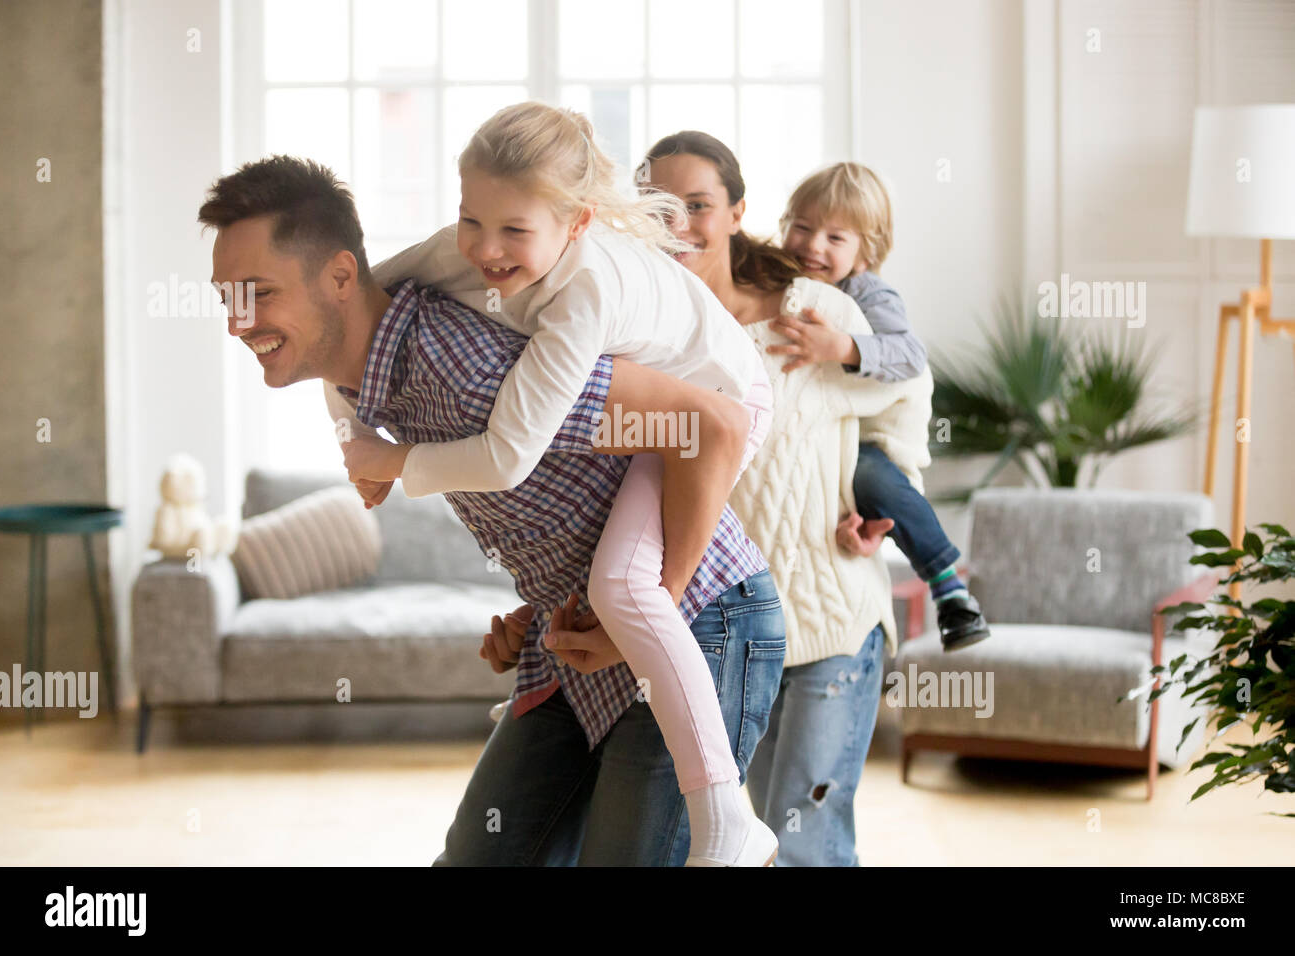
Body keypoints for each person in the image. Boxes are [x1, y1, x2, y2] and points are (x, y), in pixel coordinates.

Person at [200, 154, 785, 866]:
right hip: (574, 641)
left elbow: (708, 427)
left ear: (342, 277)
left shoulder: (466, 367)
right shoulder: (372, 381)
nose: (236, 321)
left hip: (702, 623)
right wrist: (540, 607)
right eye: (226, 295)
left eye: (258, 293)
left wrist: (658, 595)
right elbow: (571, 492)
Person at [356, 101, 777, 865]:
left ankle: (726, 819)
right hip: (657, 402)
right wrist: (353, 435)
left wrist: (394, 464)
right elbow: (354, 314)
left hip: (724, 405)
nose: (484, 249)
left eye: (514, 230)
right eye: (469, 219)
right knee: (608, 579)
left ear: (578, 222)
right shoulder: (468, 249)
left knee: (624, 586)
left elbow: (508, 456)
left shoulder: (585, 294)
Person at [637, 131, 931, 865]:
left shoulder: (815, 314)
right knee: (740, 839)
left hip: (832, 619)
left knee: (806, 838)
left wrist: (889, 498)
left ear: (737, 212)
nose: (677, 224)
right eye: (657, 207)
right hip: (724, 632)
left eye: (696, 205)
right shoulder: (641, 333)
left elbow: (908, 393)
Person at [774, 162, 990, 650]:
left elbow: (910, 354)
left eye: (835, 238)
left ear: (865, 251)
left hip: (871, 433)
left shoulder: (870, 292)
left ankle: (949, 586)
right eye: (802, 228)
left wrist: (843, 348)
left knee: (869, 476)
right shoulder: (783, 278)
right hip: (818, 430)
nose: (813, 246)